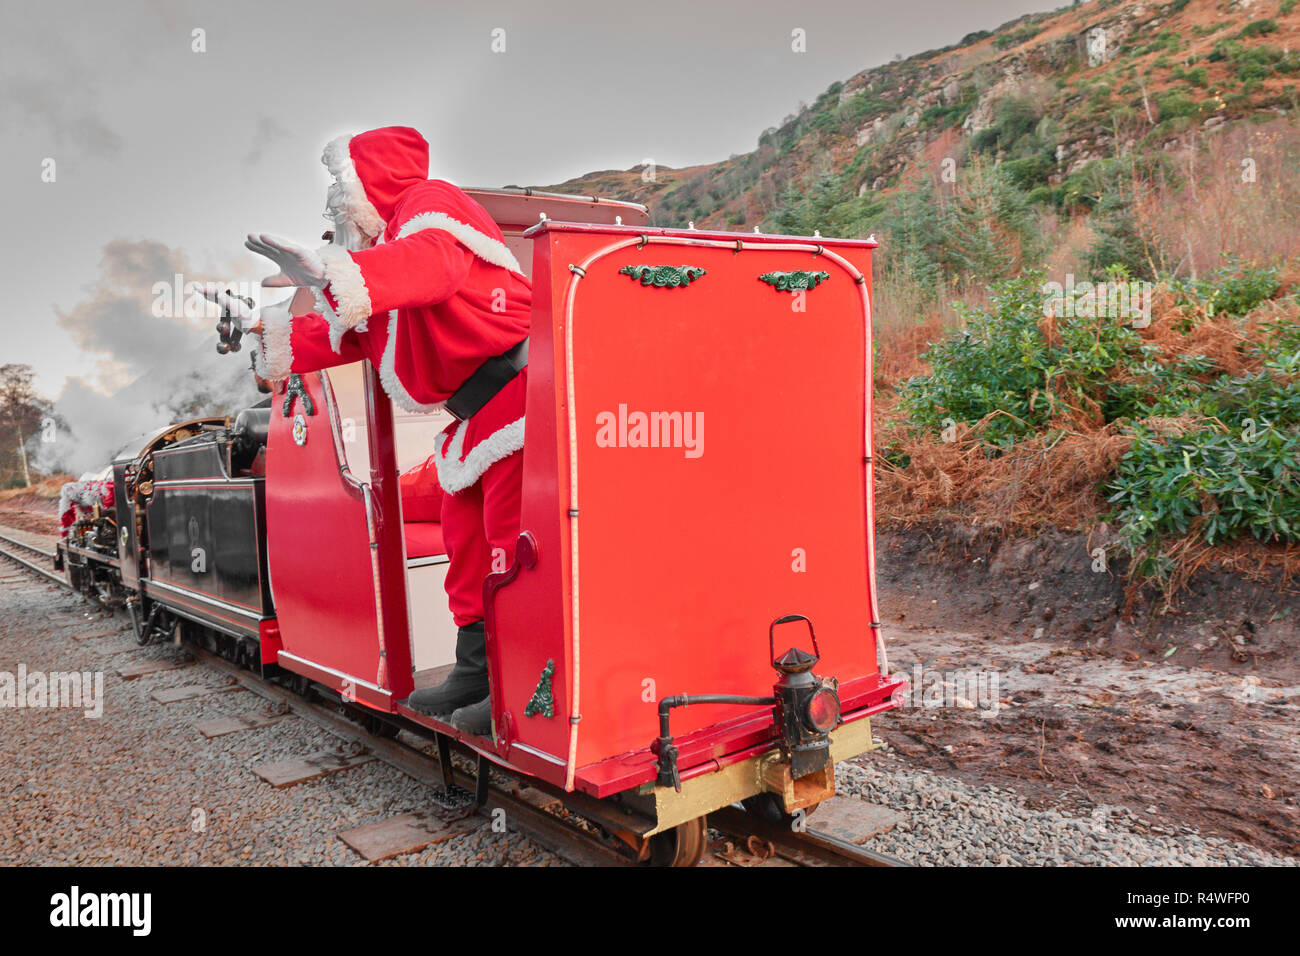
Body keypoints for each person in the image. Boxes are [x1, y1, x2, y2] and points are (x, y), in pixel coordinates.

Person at [225, 126, 530, 734]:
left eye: (339, 185)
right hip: (479, 417)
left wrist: (340, 268)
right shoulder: (389, 253)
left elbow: (436, 266)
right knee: (466, 543)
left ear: (371, 180)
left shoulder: (431, 205)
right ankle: (477, 671)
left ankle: (523, 686)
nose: (331, 202)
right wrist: (266, 336)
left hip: (521, 399)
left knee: (508, 547)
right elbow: (353, 336)